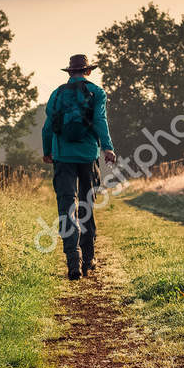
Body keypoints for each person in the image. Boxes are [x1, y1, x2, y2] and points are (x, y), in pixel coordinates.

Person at [42, 54, 115, 280]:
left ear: (70, 72)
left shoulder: (56, 94)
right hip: (88, 155)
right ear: (88, 71)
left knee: (67, 205)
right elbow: (100, 121)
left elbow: (47, 127)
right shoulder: (97, 92)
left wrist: (47, 151)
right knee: (86, 204)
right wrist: (107, 147)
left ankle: (73, 261)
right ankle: (89, 258)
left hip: (63, 156)